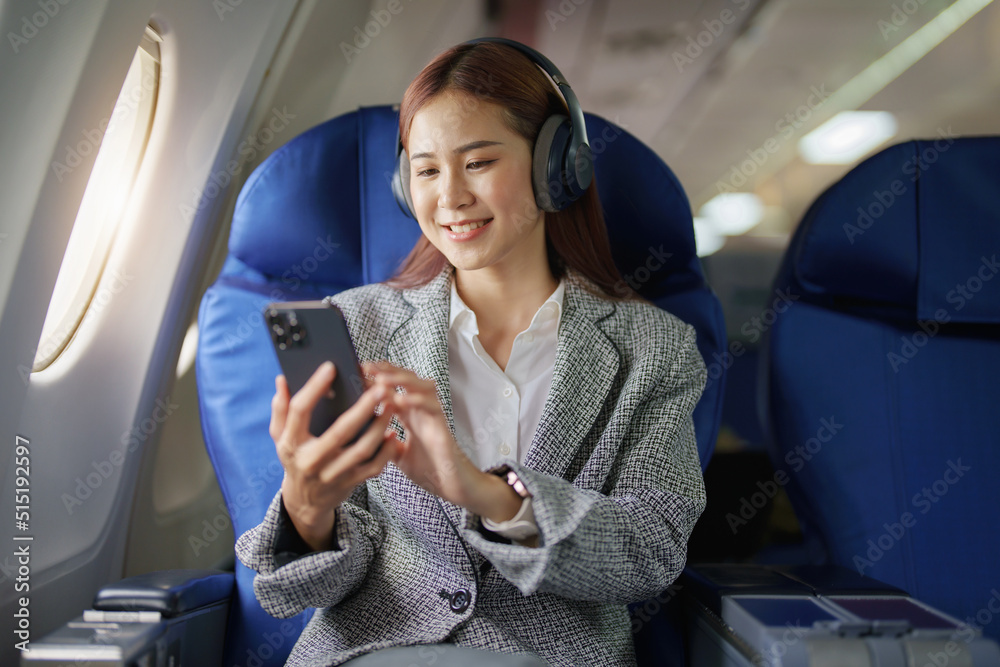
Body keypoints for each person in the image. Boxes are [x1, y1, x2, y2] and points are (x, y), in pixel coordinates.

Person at [236, 39, 707, 667]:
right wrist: (307, 503)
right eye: (427, 171)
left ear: (554, 168)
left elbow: (651, 555)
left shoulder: (655, 350)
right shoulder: (356, 324)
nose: (449, 197)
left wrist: (489, 497)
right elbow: (302, 594)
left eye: (479, 162)